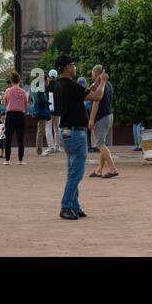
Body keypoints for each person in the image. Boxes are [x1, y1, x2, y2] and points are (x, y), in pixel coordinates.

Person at [52, 54, 104, 220]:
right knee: (76, 174)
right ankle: (66, 206)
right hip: (76, 132)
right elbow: (96, 96)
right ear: (67, 67)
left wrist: (96, 84)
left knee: (71, 171)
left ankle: (75, 205)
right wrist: (103, 82)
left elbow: (85, 92)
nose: (75, 67)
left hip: (66, 132)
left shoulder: (58, 85)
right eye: (73, 64)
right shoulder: (72, 86)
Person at [88, 64, 119, 179]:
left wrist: (91, 120)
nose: (91, 76)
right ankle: (99, 170)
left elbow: (96, 103)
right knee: (103, 143)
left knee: (100, 144)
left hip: (100, 117)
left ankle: (112, 168)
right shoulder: (108, 84)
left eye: (92, 74)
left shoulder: (100, 86)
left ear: (96, 74)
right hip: (108, 115)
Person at [33, 73, 52, 154]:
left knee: (40, 131)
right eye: (47, 80)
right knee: (41, 131)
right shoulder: (41, 90)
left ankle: (39, 149)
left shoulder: (39, 89)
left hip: (40, 112)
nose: (48, 81)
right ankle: (39, 150)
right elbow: (41, 102)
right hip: (41, 112)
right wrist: (48, 103)